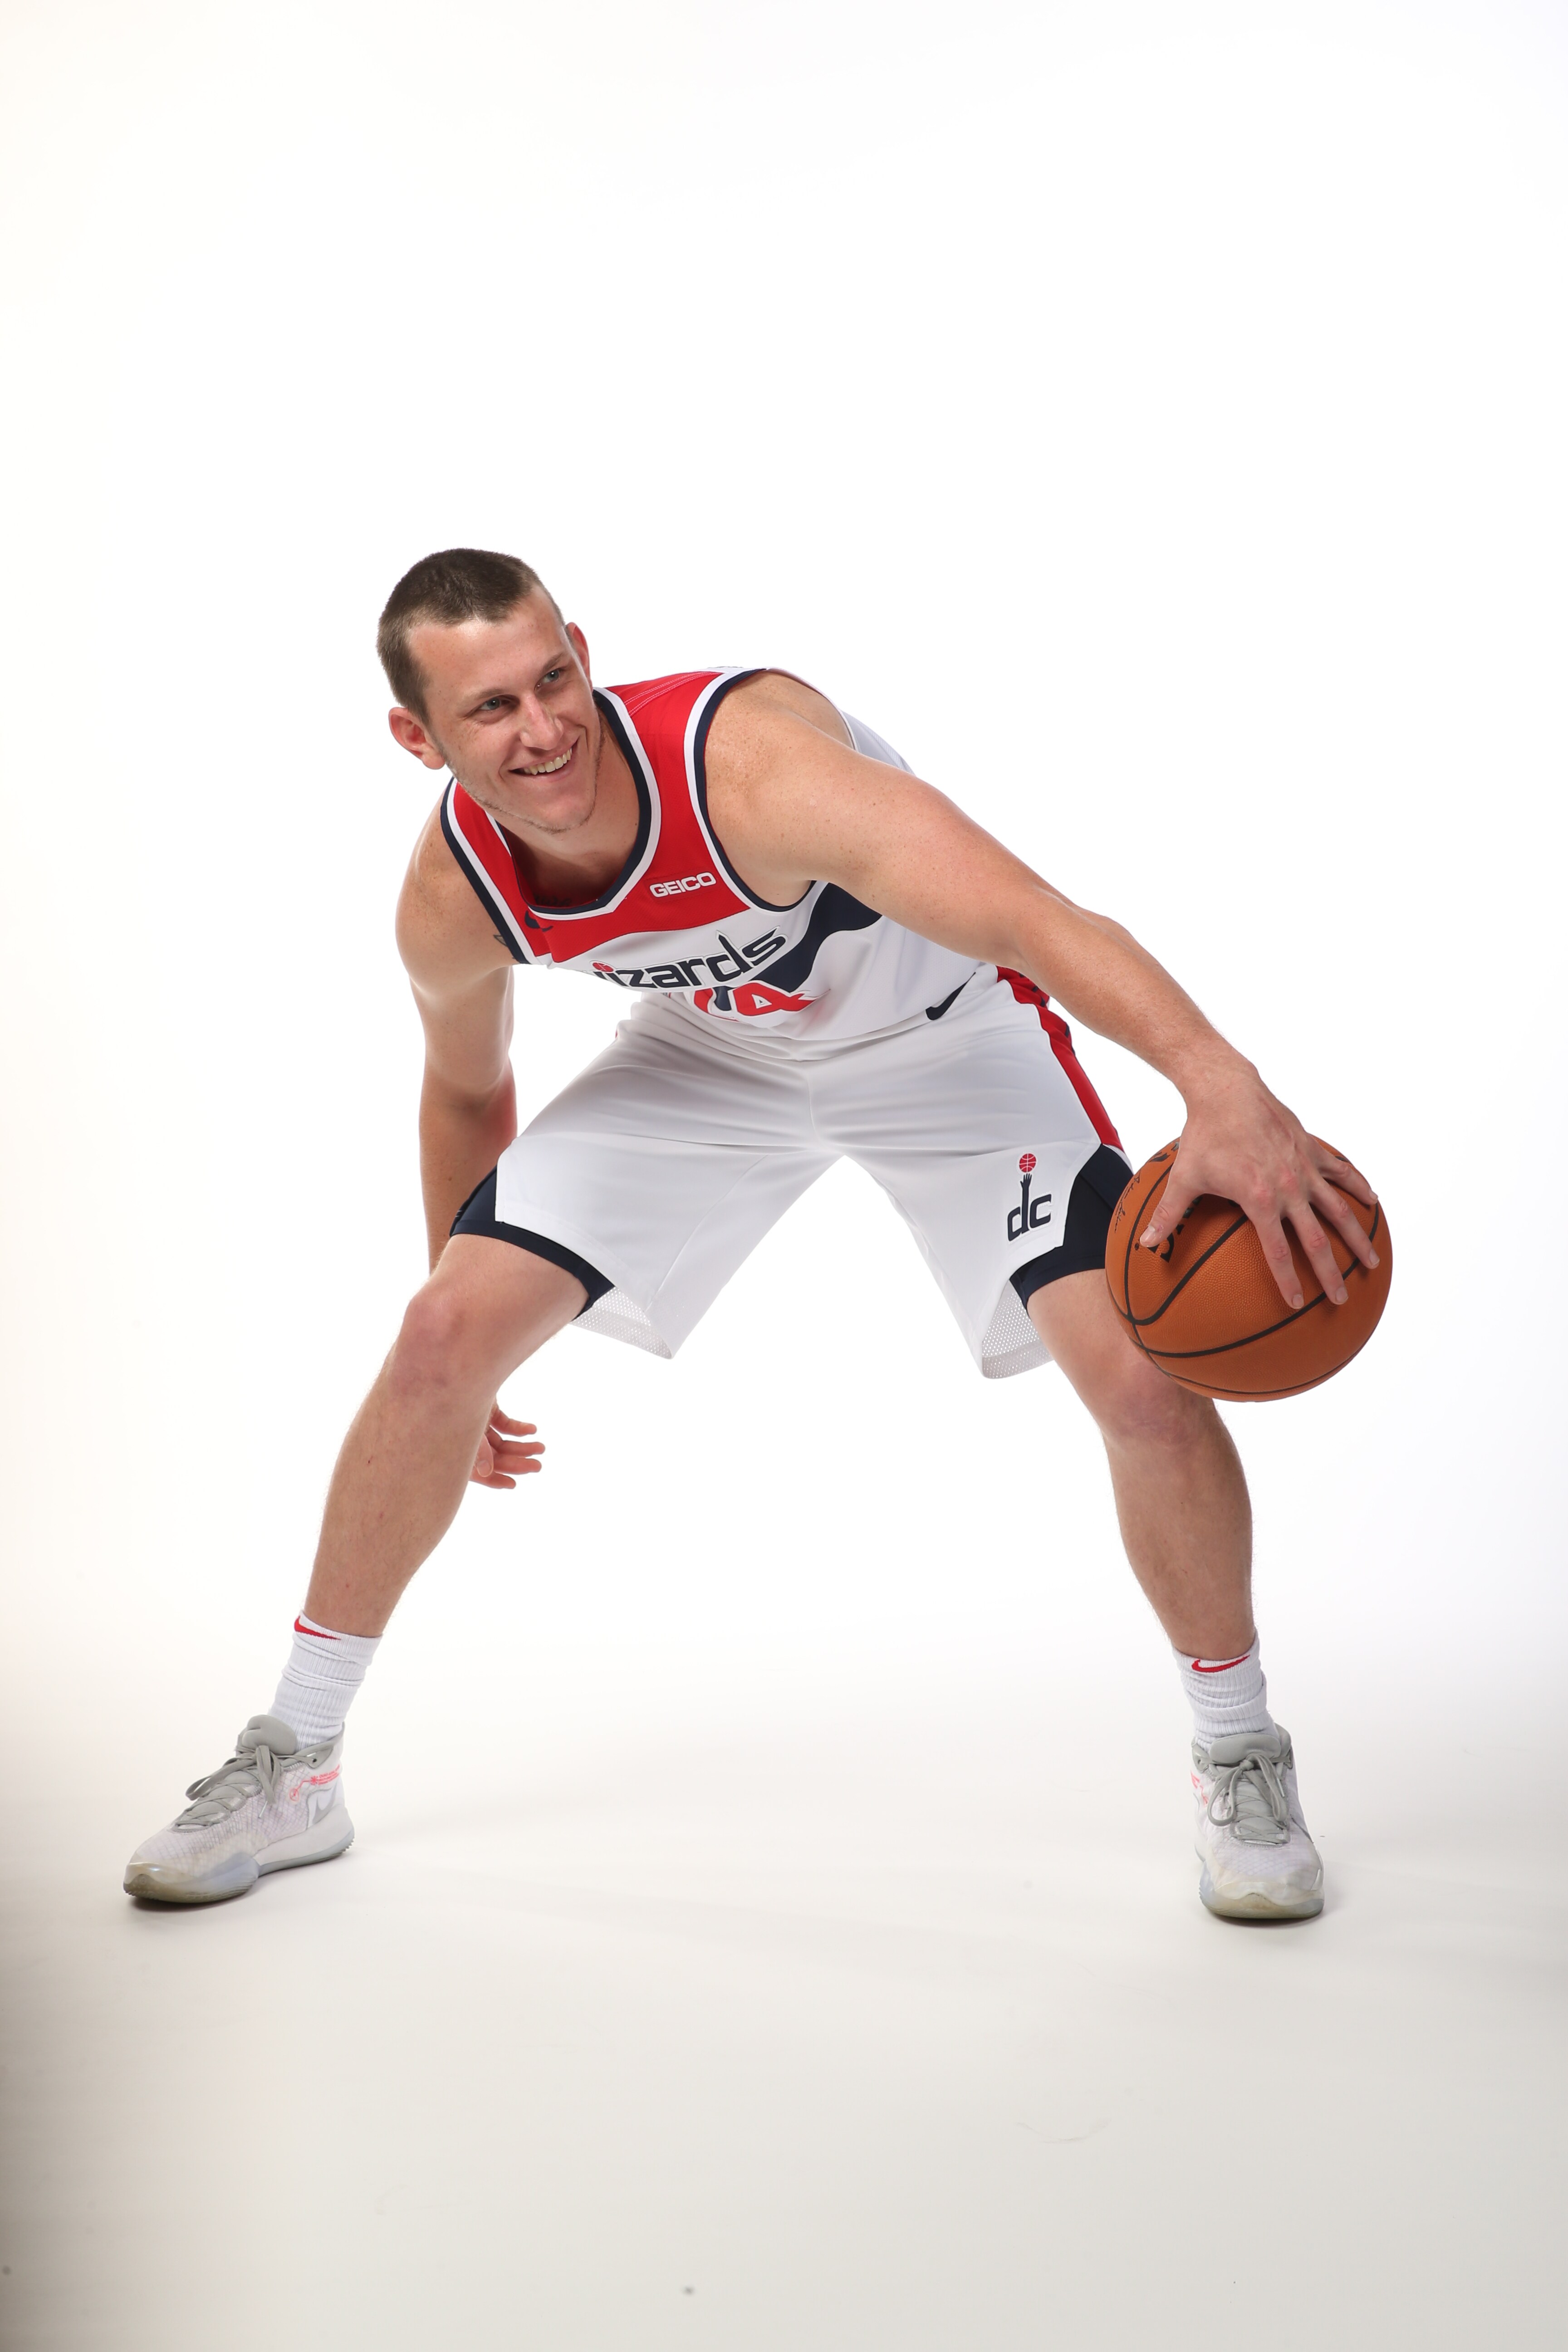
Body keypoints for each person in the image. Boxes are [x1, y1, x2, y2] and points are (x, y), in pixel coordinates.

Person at [124, 548, 1379, 1921]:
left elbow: (1037, 919)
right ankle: (296, 1760)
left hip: (945, 1042)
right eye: (490, 711)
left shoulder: (752, 776)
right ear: (415, 738)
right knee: (435, 1338)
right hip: (708, 1058)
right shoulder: (457, 892)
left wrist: (1222, 1086)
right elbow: (469, 1088)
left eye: (555, 678)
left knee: (1143, 1379)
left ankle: (1238, 1750)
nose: (543, 729)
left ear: (583, 651)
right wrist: (477, 1345)